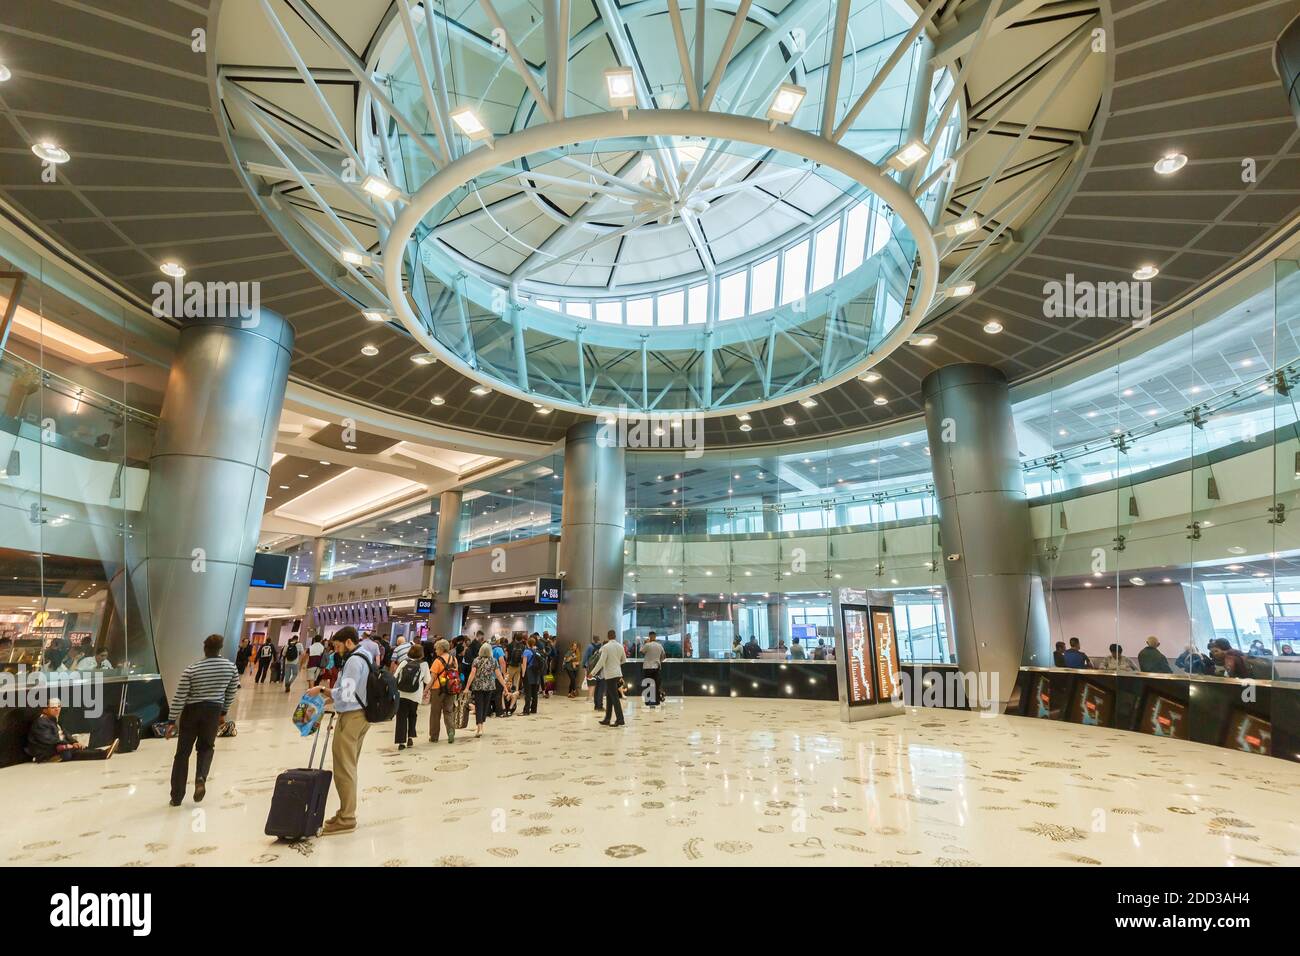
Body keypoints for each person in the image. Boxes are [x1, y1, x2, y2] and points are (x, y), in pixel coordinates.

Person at [306, 626, 374, 835]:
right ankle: (346, 812)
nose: (336, 651)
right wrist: (328, 699)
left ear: (348, 642)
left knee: (344, 768)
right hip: (361, 714)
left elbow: (346, 693)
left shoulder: (354, 660)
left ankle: (346, 817)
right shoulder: (366, 655)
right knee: (349, 765)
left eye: (337, 646)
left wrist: (322, 689)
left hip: (352, 717)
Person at [167, 634, 240, 806]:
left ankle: (177, 796)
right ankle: (201, 777)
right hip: (213, 711)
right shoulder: (230, 668)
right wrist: (223, 711)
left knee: (182, 754)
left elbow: (180, 696)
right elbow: (231, 692)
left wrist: (171, 721)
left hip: (192, 711)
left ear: (205, 649)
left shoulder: (192, 669)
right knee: (206, 747)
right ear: (219, 648)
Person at [26, 698, 118, 762]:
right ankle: (103, 754)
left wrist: (73, 742)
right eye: (53, 707)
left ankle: (103, 752)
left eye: (59, 706)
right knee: (73, 752)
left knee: (80, 748)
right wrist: (67, 745)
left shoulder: (54, 720)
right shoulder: (41, 722)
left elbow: (65, 734)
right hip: (48, 753)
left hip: (59, 748)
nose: (57, 709)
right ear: (45, 710)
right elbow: (49, 740)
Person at [466, 642, 508, 738]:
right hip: (489, 687)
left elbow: (472, 674)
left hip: (478, 687)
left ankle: (479, 726)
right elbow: (498, 675)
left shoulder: (476, 660)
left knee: (479, 706)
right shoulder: (493, 661)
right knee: (485, 706)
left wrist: (467, 687)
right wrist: (504, 686)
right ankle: (480, 726)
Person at [394, 643, 429, 750]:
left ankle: (401, 742)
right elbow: (428, 680)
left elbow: (395, 676)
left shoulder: (404, 662)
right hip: (415, 695)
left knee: (401, 717)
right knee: (412, 715)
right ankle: (410, 737)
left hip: (402, 694)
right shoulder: (424, 664)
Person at [427, 639, 459, 743]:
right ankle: (450, 732)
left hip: (438, 689)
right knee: (448, 711)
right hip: (451, 688)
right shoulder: (454, 659)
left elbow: (432, 678)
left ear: (441, 649)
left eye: (436, 649)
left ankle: (434, 736)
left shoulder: (437, 661)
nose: (435, 651)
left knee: (435, 713)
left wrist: (425, 690)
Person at [593, 631, 627, 727]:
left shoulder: (606, 647)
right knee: (609, 697)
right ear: (615, 636)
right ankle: (607, 719)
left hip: (610, 675)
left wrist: (593, 673)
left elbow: (601, 661)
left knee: (615, 698)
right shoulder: (620, 646)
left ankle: (620, 719)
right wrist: (616, 664)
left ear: (608, 636)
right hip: (617, 674)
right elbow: (624, 660)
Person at [641, 631, 665, 706]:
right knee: (656, 684)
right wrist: (659, 661)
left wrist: (645, 643)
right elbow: (664, 656)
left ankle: (648, 701)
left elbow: (641, 651)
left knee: (648, 684)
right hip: (656, 667)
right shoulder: (659, 646)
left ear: (649, 637)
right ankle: (657, 701)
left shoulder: (647, 645)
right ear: (655, 637)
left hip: (647, 667)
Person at [522, 635, 545, 715]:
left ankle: (526, 710)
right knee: (535, 693)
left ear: (528, 643)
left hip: (529, 673)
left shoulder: (526, 652)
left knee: (528, 693)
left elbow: (524, 665)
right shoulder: (537, 651)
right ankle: (534, 709)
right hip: (536, 674)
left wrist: (523, 674)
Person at [583, 635, 604, 711]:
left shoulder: (589, 646)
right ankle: (597, 701)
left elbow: (585, 657)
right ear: (599, 639)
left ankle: (590, 697)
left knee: (591, 682)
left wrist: (584, 666)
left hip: (591, 667)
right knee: (598, 684)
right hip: (599, 668)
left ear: (593, 639)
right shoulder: (602, 646)